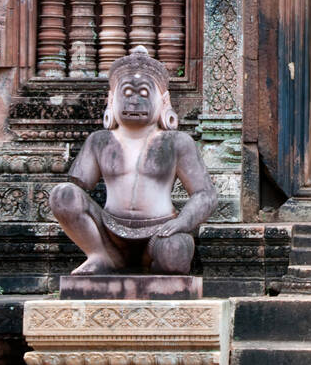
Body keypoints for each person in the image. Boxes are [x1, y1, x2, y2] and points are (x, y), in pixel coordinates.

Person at [49, 47, 217, 275]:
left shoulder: (177, 142)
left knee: (175, 254)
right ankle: (100, 255)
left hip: (160, 230)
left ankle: (153, 263)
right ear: (111, 98)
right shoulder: (100, 141)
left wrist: (182, 222)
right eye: (126, 92)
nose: (134, 101)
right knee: (62, 194)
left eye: (144, 94)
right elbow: (77, 189)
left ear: (164, 101)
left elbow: (205, 194)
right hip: (108, 230)